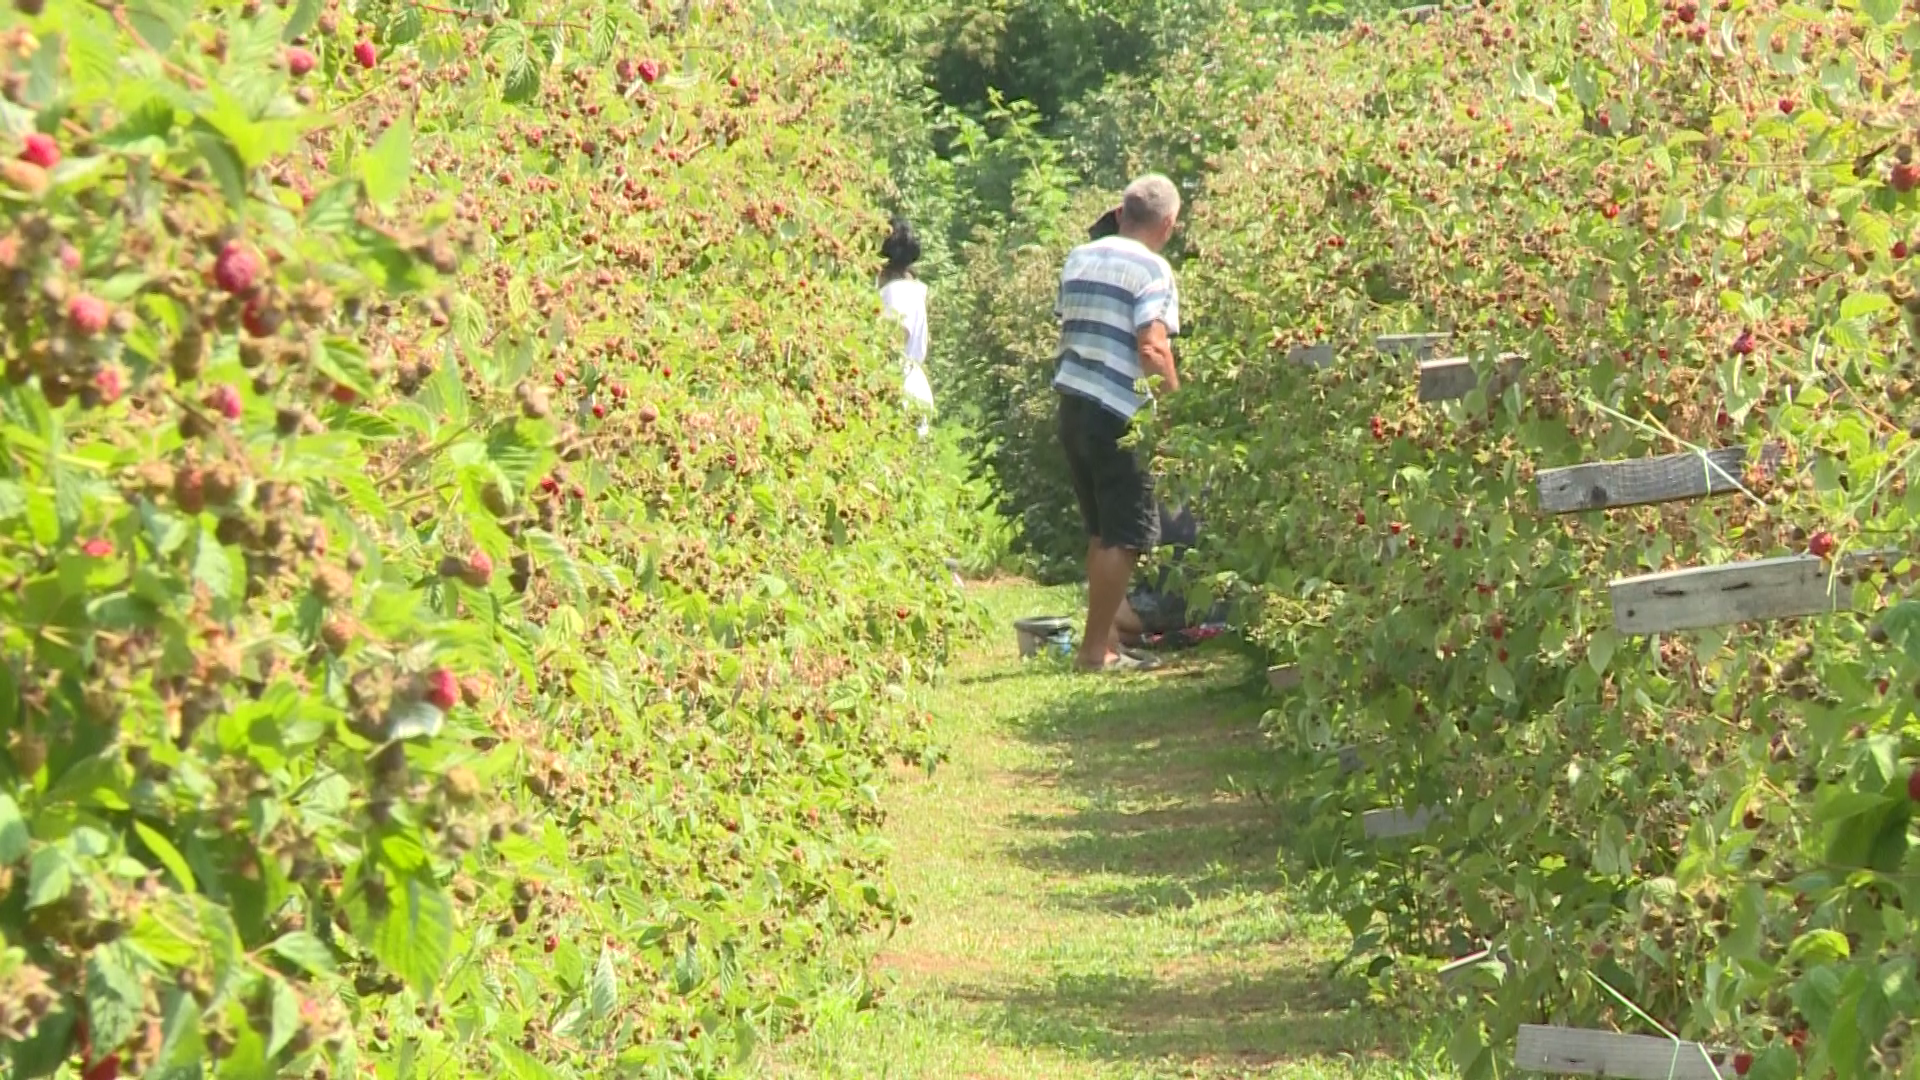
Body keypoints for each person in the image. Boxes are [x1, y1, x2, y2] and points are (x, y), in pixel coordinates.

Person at [1051, 174, 1182, 673]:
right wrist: (1176, 407)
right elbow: (1151, 346)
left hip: (1074, 402)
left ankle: (1103, 640)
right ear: (1167, 225)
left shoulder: (1080, 256)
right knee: (1125, 535)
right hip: (1118, 411)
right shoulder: (1153, 269)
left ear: (1122, 212)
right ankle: (1095, 652)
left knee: (1101, 531)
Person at [878, 216, 934, 436]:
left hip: (900, 390)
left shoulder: (897, 293)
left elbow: (894, 344)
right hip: (913, 385)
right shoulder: (911, 291)